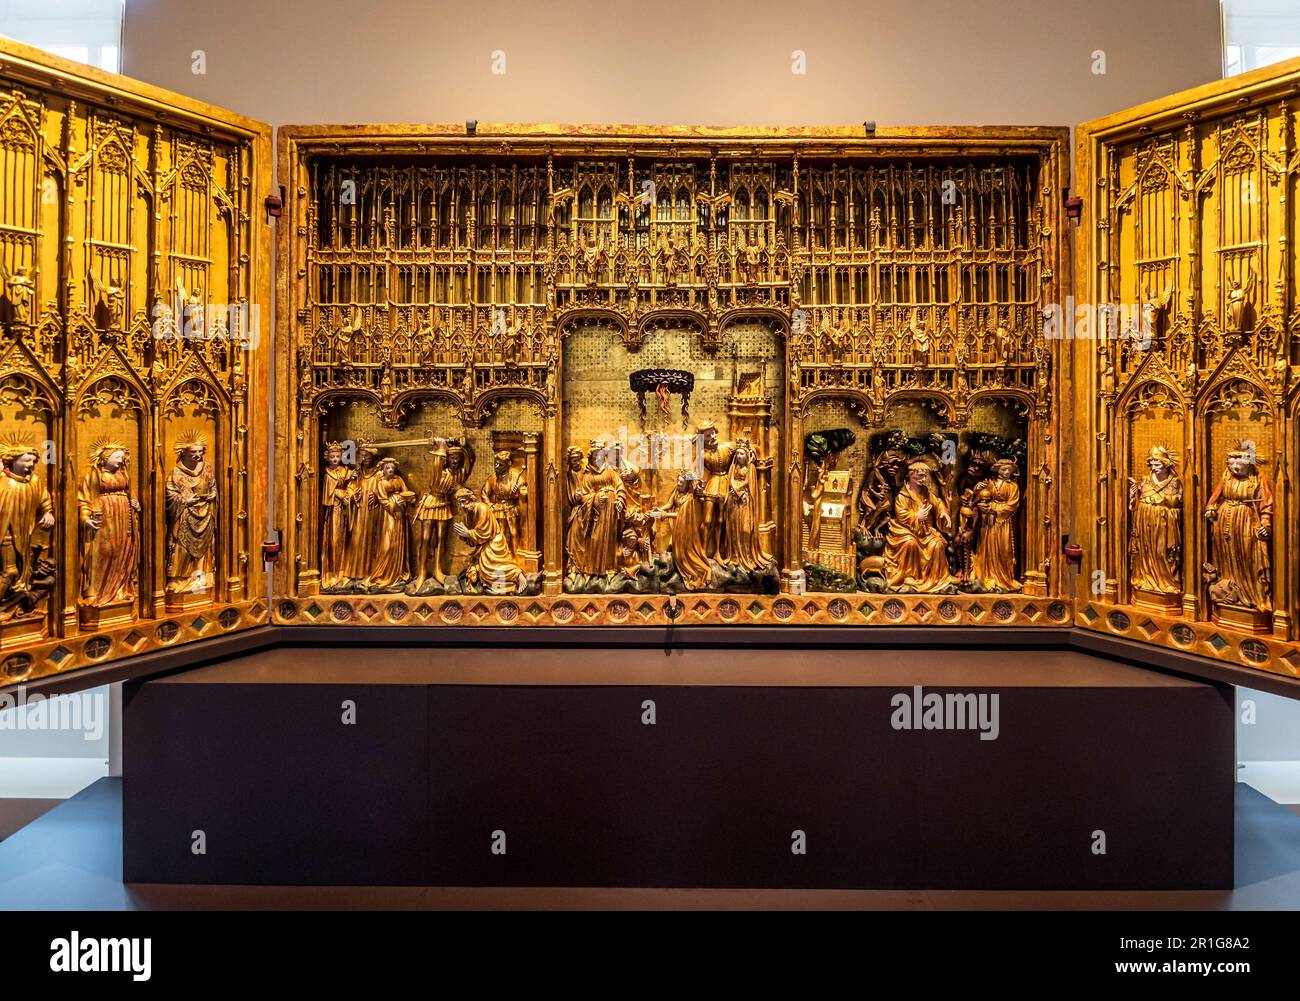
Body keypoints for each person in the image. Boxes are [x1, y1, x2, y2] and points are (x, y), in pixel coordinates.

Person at [78, 442, 140, 606]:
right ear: (106, 458)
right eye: (117, 457)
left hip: (123, 517)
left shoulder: (124, 474)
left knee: (122, 550)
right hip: (104, 518)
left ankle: (120, 588)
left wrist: (134, 503)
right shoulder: (93, 475)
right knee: (104, 552)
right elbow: (83, 499)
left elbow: (130, 492)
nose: (121, 461)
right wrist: (85, 518)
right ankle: (95, 592)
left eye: (122, 457)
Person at [883, 460, 954, 592]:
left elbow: (937, 502)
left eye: (924, 476)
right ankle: (909, 576)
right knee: (910, 543)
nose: (923, 479)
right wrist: (917, 516)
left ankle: (940, 578)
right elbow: (901, 516)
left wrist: (943, 512)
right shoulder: (902, 495)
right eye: (919, 476)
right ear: (910, 475)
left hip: (923, 531)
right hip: (904, 530)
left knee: (937, 544)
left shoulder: (925, 491)